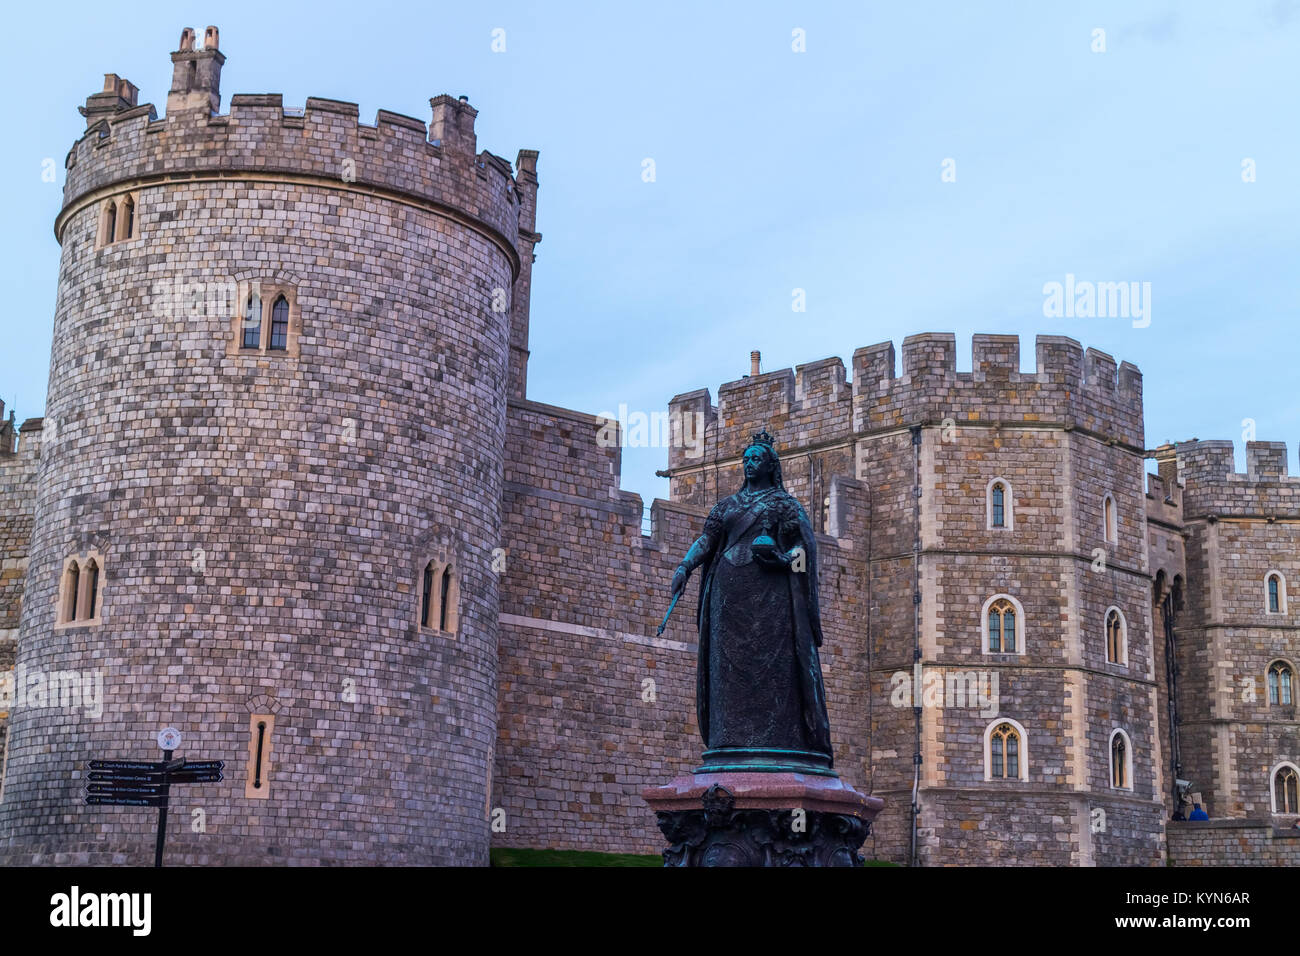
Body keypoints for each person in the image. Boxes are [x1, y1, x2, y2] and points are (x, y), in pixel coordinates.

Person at [670, 429, 833, 766]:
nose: (749, 464)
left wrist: (785, 559)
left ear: (770, 465)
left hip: (770, 598)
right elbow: (707, 541)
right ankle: (729, 738)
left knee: (774, 669)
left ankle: (779, 740)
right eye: (745, 459)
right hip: (727, 596)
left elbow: (804, 547)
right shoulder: (726, 506)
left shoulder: (784, 504)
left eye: (756, 459)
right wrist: (685, 567)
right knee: (726, 671)